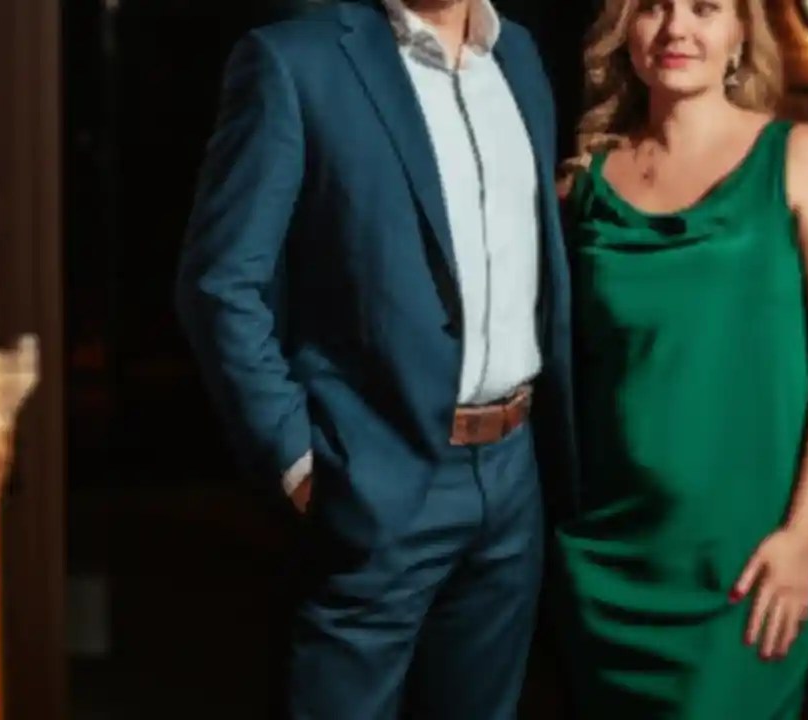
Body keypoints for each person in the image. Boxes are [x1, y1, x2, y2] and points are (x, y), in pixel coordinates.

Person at [174, 0, 577, 718]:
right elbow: (222, 282)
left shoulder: (519, 57)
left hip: (514, 477)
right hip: (375, 473)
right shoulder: (297, 62)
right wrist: (295, 457)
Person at [555, 0, 808, 717]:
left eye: (705, 8)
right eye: (652, 9)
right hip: (612, 558)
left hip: (750, 561)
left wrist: (805, 534)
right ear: (623, 34)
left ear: (739, 34)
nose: (677, 30)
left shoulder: (802, 160)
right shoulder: (581, 190)